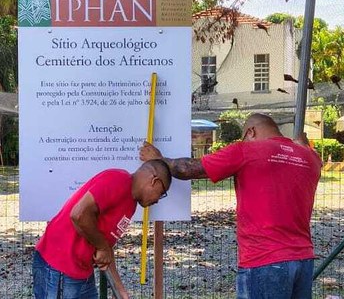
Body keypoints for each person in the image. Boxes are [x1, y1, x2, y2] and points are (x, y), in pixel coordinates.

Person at [140, 113, 322, 299]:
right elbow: (302, 150)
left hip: (263, 260)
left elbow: (186, 168)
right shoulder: (310, 157)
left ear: (251, 132)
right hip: (304, 259)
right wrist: (301, 145)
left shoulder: (247, 150)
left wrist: (159, 159)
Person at [32, 160, 173, 299]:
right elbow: (79, 215)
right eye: (161, 193)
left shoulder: (131, 204)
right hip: (59, 264)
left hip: (82, 270)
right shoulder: (118, 179)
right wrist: (103, 247)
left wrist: (120, 291)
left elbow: (105, 248)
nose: (158, 200)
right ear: (154, 181)